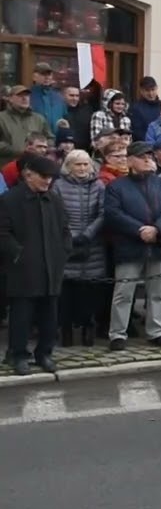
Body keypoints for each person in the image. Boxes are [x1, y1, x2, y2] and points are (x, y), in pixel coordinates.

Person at [103, 141, 161, 350]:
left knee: (157, 292)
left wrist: (156, 229)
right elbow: (113, 214)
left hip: (159, 244)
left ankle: (156, 331)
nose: (148, 160)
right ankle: (118, 333)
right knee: (124, 291)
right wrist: (139, 230)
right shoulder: (116, 187)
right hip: (130, 245)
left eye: (149, 157)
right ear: (130, 161)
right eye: (142, 157)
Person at [0, 156, 71, 376]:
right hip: (22, 270)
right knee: (22, 316)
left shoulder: (54, 200)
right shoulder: (9, 200)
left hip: (51, 267)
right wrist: (18, 254)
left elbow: (64, 229)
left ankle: (44, 353)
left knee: (49, 315)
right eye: (43, 176)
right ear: (28, 174)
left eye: (51, 177)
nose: (48, 181)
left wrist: (63, 252)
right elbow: (3, 233)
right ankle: (18, 354)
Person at [53, 150, 108, 348]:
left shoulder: (99, 185)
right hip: (67, 243)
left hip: (92, 245)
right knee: (67, 292)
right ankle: (65, 330)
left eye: (86, 164)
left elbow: (103, 213)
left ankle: (88, 329)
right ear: (69, 166)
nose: (83, 168)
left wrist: (88, 233)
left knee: (90, 292)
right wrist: (71, 236)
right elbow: (56, 214)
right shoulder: (58, 186)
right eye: (78, 164)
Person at [0, 85, 51, 167]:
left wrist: (41, 147)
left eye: (27, 95)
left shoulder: (39, 119)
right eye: (20, 95)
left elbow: (50, 138)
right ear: (10, 99)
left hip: (35, 167)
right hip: (8, 166)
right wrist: (20, 150)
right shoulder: (2, 118)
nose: (24, 98)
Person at [29, 62, 66, 128]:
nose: (47, 77)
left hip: (56, 137)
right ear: (34, 77)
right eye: (43, 74)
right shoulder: (27, 96)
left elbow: (64, 118)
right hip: (35, 137)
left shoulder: (59, 97)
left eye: (49, 74)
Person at [127, 76, 161, 144]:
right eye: (147, 90)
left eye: (153, 89)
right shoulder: (135, 108)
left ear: (157, 88)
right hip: (146, 145)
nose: (151, 93)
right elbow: (138, 133)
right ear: (141, 91)